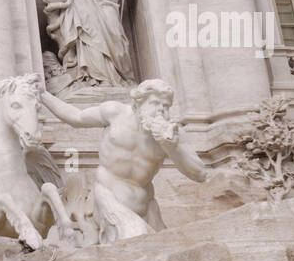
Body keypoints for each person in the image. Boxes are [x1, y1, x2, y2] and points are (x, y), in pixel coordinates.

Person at [38, 79, 208, 242]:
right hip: (108, 199)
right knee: (139, 240)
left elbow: (200, 174)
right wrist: (43, 94)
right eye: (155, 103)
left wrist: (171, 147)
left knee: (165, 249)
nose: (161, 111)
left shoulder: (172, 134)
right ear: (138, 103)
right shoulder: (115, 113)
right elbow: (76, 117)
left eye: (166, 106)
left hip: (147, 207)